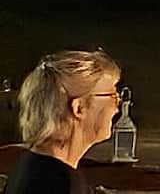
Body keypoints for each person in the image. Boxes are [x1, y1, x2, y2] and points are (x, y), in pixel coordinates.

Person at [6, 49, 122, 194]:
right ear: (79, 108)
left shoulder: (32, 166)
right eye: (113, 96)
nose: (116, 108)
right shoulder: (59, 184)